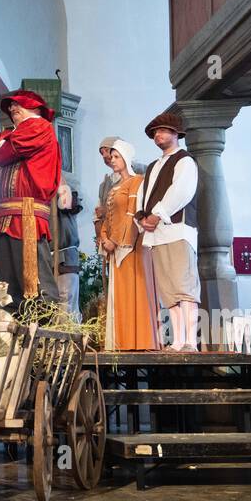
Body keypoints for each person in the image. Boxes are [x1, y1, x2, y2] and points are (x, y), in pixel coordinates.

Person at [0, 90, 62, 310]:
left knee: (34, 281)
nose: (12, 110)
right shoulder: (10, 134)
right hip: (3, 217)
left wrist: (1, 144)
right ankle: (16, 329)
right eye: (10, 108)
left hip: (26, 214)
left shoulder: (40, 127)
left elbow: (5, 152)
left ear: (35, 106)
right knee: (7, 283)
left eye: (17, 106)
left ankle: (42, 330)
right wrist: (3, 142)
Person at [136, 112, 199, 351]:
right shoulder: (153, 166)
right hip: (157, 234)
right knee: (169, 291)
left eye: (162, 131)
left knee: (184, 287)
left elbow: (180, 192)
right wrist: (142, 218)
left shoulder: (184, 161)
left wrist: (156, 214)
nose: (158, 135)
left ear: (176, 133)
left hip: (177, 230)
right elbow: (143, 196)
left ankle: (190, 340)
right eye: (155, 133)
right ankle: (178, 340)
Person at [99, 139, 160, 350]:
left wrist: (115, 240)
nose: (112, 160)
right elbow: (108, 216)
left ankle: (140, 339)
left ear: (126, 158)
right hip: (115, 245)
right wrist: (104, 237)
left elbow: (132, 213)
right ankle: (123, 340)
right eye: (111, 157)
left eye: (116, 157)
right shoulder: (115, 187)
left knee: (136, 289)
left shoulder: (137, 182)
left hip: (132, 244)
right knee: (120, 293)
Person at [56, 172, 83, 320]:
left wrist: (61, 183)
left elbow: (68, 204)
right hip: (45, 251)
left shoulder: (66, 179)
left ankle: (70, 341)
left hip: (64, 251)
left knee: (66, 304)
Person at [94, 136, 119, 243]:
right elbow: (97, 215)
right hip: (109, 238)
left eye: (107, 151)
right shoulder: (104, 184)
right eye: (101, 153)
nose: (104, 155)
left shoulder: (139, 173)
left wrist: (107, 210)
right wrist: (100, 237)